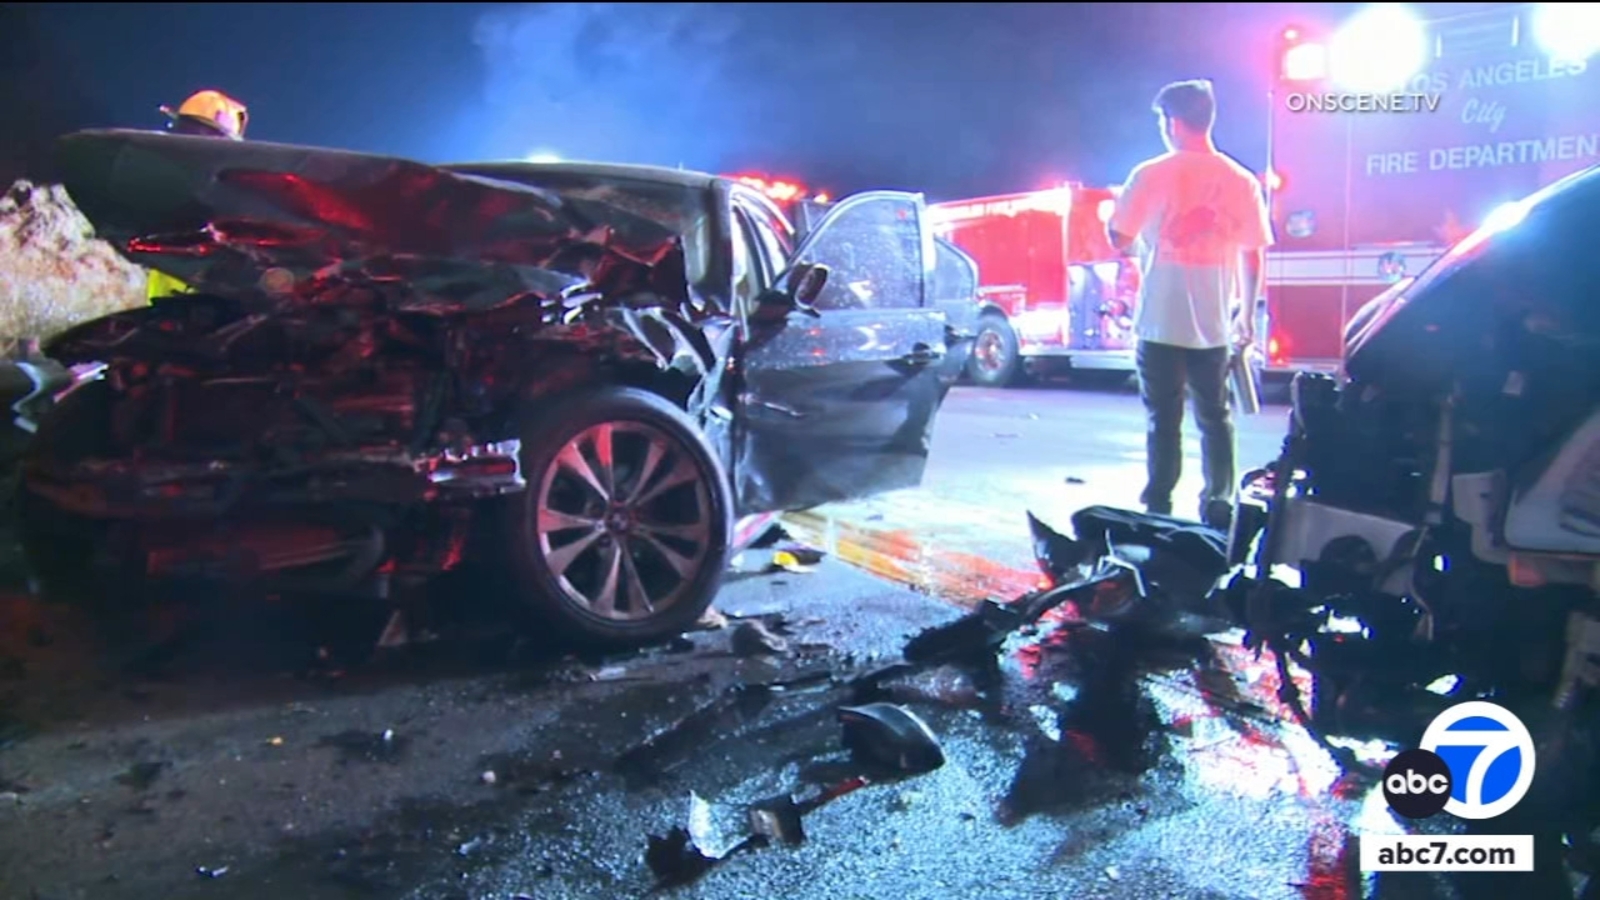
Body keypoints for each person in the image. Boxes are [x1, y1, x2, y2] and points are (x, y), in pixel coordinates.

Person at [1106, 79, 1273, 530]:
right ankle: (1219, 503)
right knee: (1216, 419)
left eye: (1164, 120)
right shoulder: (1240, 180)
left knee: (1163, 419)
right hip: (1215, 323)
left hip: (1160, 320)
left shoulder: (1150, 173)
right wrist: (1247, 315)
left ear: (1174, 123)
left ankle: (1158, 506)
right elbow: (1253, 253)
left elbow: (1119, 238)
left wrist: (1115, 215)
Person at [146, 89, 250, 303]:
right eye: (185, 133)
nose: (188, 149)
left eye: (202, 139)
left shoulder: (242, 202)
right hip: (165, 312)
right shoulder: (163, 186)